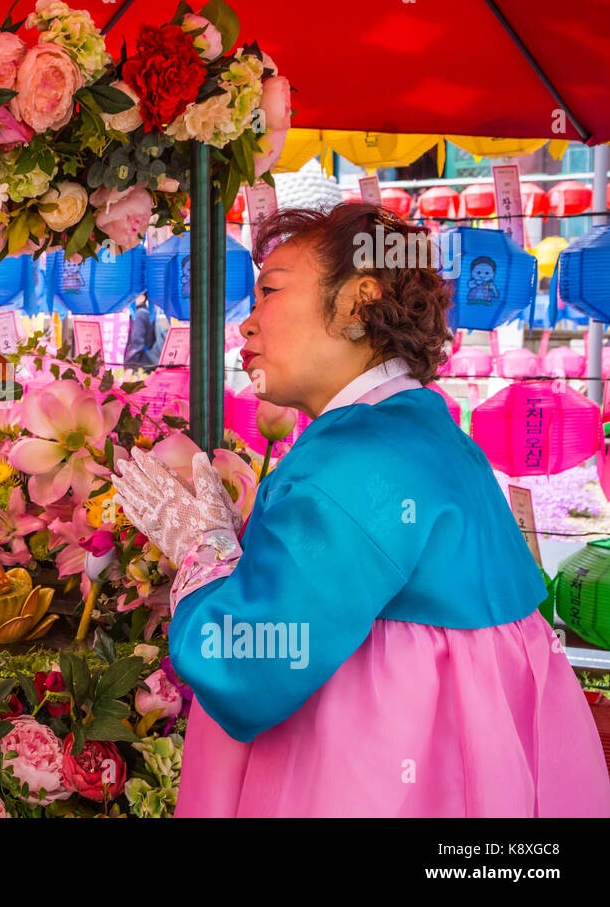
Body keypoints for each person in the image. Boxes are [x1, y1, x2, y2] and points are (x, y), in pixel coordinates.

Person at [113, 203, 610, 817]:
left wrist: (203, 544)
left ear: (357, 302)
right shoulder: (418, 426)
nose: (246, 323)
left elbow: (247, 660)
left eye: (270, 290)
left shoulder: (364, 454)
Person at [123, 292, 157, 368]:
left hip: (139, 365)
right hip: (148, 363)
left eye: (133, 297)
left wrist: (130, 366)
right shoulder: (148, 313)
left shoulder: (139, 315)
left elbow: (136, 342)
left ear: (142, 298)